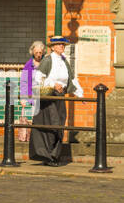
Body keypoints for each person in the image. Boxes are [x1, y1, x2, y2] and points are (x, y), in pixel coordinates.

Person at [30, 35, 82, 166]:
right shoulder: (48, 60)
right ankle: (48, 156)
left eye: (63, 44)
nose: (61, 46)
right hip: (49, 98)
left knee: (59, 124)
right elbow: (38, 78)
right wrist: (53, 85)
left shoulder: (64, 61)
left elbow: (71, 79)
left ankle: (54, 156)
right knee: (52, 124)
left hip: (60, 97)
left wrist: (80, 95)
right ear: (52, 47)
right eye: (59, 44)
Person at [19, 40, 47, 142]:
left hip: (45, 95)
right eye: (36, 53)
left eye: (40, 53)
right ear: (32, 52)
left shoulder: (47, 63)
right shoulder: (28, 65)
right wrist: (23, 98)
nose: (38, 55)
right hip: (34, 96)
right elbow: (24, 82)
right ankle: (36, 141)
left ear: (43, 52)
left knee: (45, 119)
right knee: (35, 119)